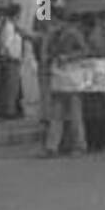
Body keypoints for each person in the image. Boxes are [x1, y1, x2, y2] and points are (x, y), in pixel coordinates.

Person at [41, 14, 89, 157]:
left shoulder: (73, 33)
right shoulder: (53, 35)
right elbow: (47, 53)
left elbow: (85, 51)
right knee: (56, 115)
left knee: (75, 115)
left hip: (71, 77)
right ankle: (52, 146)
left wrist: (68, 57)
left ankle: (79, 145)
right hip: (58, 77)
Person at [0, 4, 25, 119]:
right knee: (11, 87)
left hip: (15, 59)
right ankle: (9, 111)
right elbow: (7, 44)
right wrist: (12, 56)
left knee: (14, 87)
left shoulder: (13, 26)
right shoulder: (9, 27)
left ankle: (11, 108)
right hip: (11, 60)